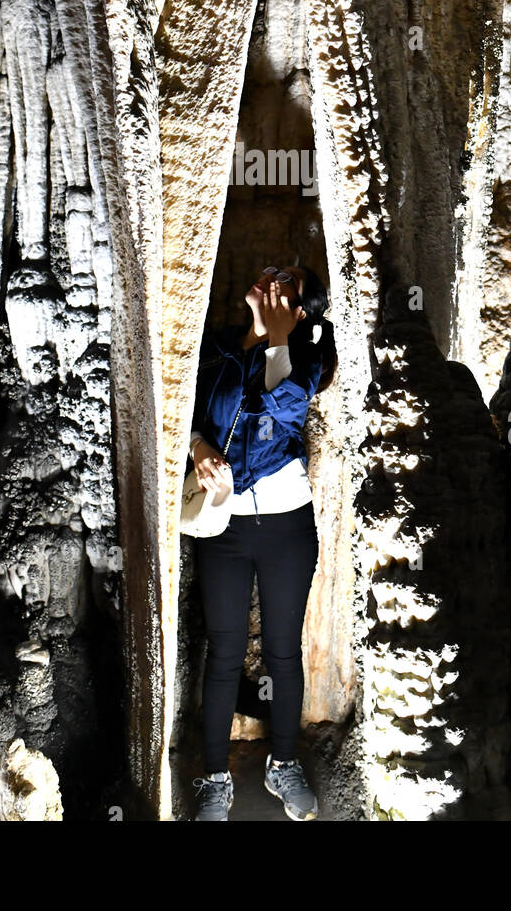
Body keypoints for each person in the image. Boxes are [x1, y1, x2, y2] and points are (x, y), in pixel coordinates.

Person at [188, 264, 337, 822]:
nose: (273, 276)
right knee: (224, 650)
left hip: (285, 527)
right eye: (271, 270)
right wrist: (200, 448)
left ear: (301, 311)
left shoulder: (311, 356)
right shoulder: (217, 346)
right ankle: (215, 778)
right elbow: (193, 413)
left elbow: (286, 410)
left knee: (281, 649)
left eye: (289, 281)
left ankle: (282, 763)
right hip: (223, 526)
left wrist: (280, 340)